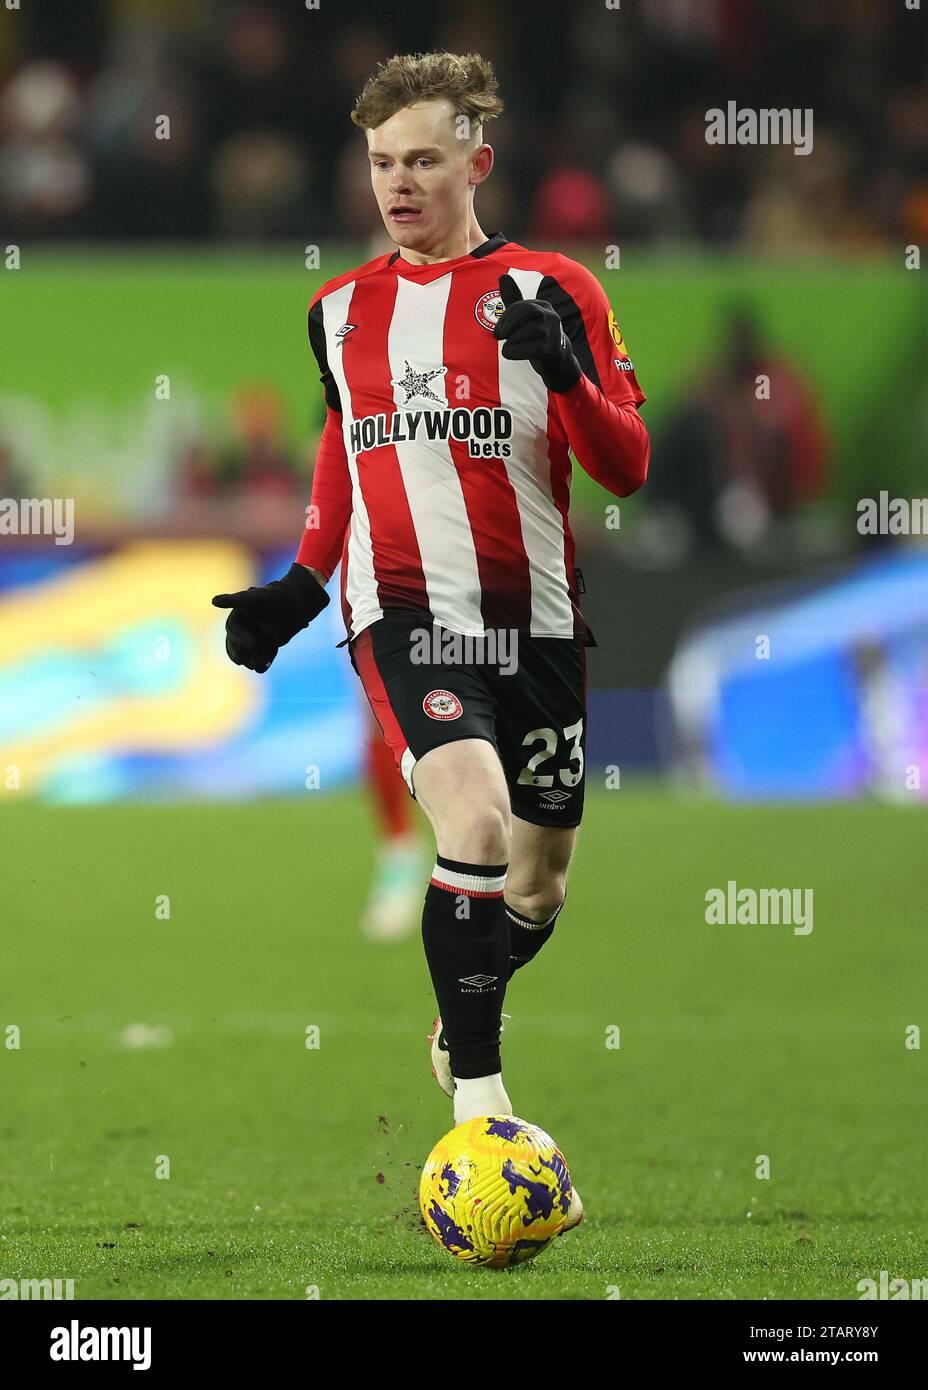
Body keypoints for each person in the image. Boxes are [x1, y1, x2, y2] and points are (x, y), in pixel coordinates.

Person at [212, 55, 649, 1223]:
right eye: (380, 162)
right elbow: (340, 455)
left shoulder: (558, 289)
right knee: (471, 820)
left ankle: (460, 1007)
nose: (397, 183)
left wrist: (564, 373)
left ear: (475, 163)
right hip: (403, 610)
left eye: (421, 160)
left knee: (540, 884)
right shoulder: (339, 309)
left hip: (539, 621)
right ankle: (481, 1113)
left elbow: (628, 465)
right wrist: (303, 584)